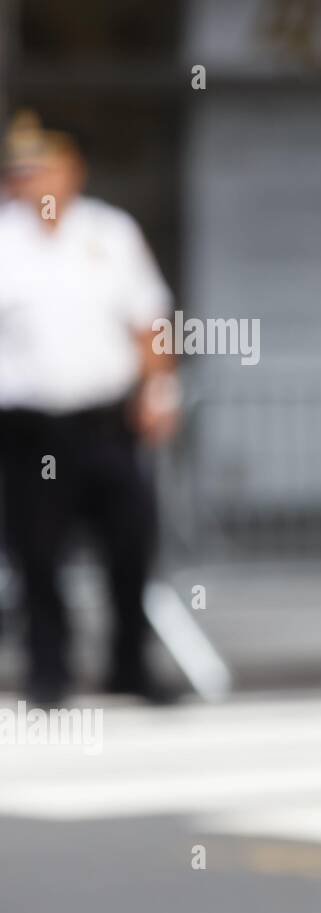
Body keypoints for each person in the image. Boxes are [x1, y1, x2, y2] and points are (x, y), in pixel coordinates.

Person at [0, 111, 181, 707]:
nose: (32, 180)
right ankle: (48, 670)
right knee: (37, 553)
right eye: (22, 169)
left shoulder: (110, 232)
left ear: (73, 170)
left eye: (43, 167)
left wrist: (159, 390)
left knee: (130, 545)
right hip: (28, 428)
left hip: (104, 421)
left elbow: (149, 319)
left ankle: (129, 663)